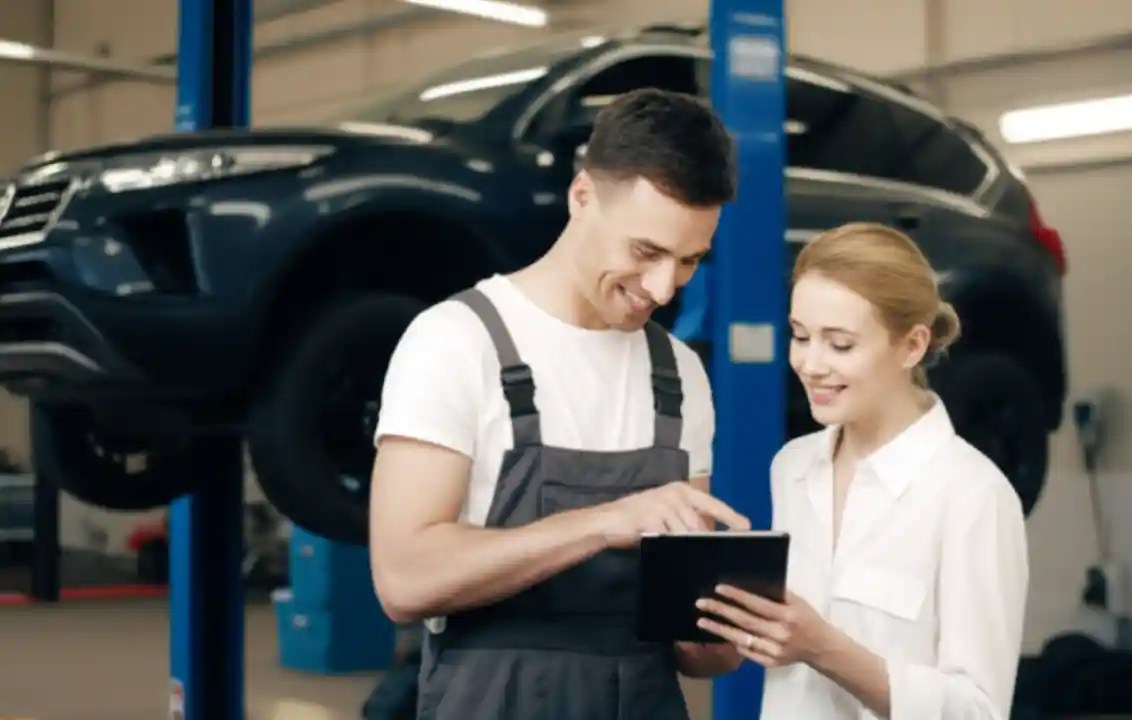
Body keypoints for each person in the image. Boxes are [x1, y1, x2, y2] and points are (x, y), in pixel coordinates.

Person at [368, 88, 750, 720]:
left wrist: (724, 627)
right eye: (645, 251)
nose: (662, 287)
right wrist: (604, 523)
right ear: (582, 198)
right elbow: (404, 580)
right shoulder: (457, 342)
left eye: (689, 262)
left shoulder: (678, 374)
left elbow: (695, 655)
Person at [694, 222, 1030, 719]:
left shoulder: (973, 495)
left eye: (840, 344)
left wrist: (823, 647)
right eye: (800, 336)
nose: (810, 364)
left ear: (912, 346)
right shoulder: (793, 466)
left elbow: (978, 711)